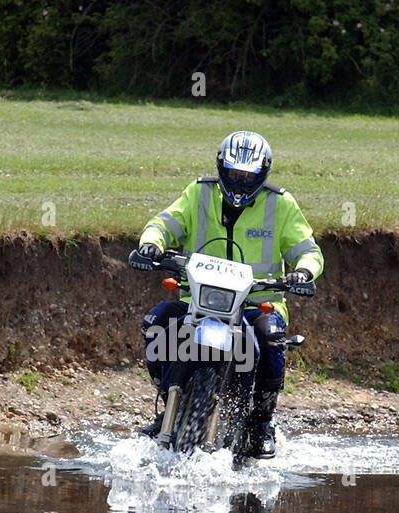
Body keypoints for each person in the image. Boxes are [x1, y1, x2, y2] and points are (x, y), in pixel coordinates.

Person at [130, 131, 324, 458]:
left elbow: (309, 251)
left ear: (262, 174)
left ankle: (260, 423)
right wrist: (151, 244)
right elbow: (163, 223)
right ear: (222, 168)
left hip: (255, 305)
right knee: (159, 321)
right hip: (197, 302)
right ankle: (169, 403)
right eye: (234, 173)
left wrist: (303, 272)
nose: (240, 181)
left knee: (270, 337)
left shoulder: (281, 204)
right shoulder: (199, 193)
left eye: (248, 176)